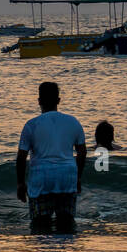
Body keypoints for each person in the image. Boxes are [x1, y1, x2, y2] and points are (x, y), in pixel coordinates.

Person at [16, 82, 86, 234]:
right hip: (67, 175)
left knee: (40, 223)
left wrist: (21, 183)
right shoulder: (73, 122)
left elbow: (21, 157)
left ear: (39, 101)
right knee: (66, 222)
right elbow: (82, 153)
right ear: (59, 100)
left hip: (42, 178)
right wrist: (78, 178)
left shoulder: (31, 125)